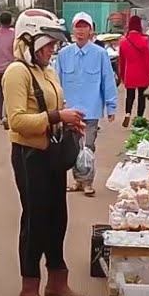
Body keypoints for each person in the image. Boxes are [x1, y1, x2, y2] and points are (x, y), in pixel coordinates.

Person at [2, 8, 85, 296]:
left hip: (52, 153)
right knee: (35, 220)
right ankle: (29, 287)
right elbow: (17, 121)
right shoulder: (16, 73)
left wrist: (69, 121)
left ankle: (57, 280)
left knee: (58, 218)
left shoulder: (47, 71)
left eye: (53, 44)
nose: (52, 50)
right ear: (29, 40)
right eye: (47, 44)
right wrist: (55, 116)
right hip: (29, 155)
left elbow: (55, 106)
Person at [58, 12, 118, 196]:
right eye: (77, 26)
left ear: (91, 30)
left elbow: (108, 80)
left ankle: (87, 182)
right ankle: (77, 180)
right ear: (72, 30)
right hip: (69, 110)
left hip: (91, 111)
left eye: (85, 27)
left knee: (88, 147)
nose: (81, 30)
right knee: (72, 147)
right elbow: (56, 81)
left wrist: (111, 105)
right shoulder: (63, 54)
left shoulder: (100, 54)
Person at [117, 15, 149, 127]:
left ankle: (128, 113)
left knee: (129, 96)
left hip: (129, 72)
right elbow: (148, 59)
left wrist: (122, 75)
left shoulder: (123, 41)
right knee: (141, 97)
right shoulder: (144, 40)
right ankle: (139, 118)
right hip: (143, 73)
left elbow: (121, 61)